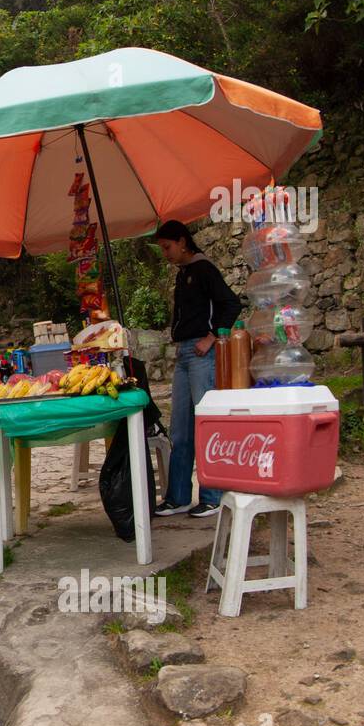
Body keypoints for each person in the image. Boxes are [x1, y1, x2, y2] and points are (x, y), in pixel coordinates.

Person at [152, 219, 241, 518]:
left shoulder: (203, 269)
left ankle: (212, 495)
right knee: (180, 429)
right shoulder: (183, 274)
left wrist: (212, 336)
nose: (165, 253)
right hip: (184, 355)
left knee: (206, 425)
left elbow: (231, 303)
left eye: (167, 247)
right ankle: (178, 496)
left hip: (202, 354)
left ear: (182, 241)